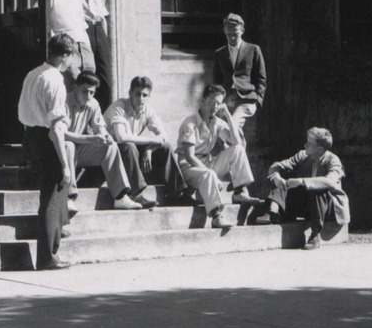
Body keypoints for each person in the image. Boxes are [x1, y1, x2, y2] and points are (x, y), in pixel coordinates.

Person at [17, 33, 76, 270]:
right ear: (64, 56)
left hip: (30, 135)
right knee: (52, 197)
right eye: (71, 57)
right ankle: (48, 256)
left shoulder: (32, 74)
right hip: (46, 138)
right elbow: (56, 129)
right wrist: (64, 163)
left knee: (52, 195)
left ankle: (58, 233)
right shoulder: (55, 81)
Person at [176, 84, 259, 229]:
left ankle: (239, 191)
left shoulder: (216, 122)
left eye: (219, 103)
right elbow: (189, 156)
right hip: (188, 168)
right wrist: (212, 173)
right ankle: (217, 216)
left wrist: (227, 114)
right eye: (211, 102)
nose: (215, 106)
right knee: (209, 174)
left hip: (207, 164)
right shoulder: (190, 123)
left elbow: (236, 142)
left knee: (238, 150)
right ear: (203, 101)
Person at [255, 127, 351, 250]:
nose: (305, 145)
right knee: (287, 183)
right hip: (309, 205)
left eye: (309, 143)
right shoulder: (303, 155)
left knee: (317, 188)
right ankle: (273, 211)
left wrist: (302, 181)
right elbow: (277, 166)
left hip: (330, 207)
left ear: (320, 149)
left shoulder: (333, 160)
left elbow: (329, 181)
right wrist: (276, 177)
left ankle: (315, 235)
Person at [105, 76, 190, 205]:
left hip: (130, 154)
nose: (141, 99)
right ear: (130, 93)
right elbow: (121, 137)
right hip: (110, 153)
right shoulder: (119, 107)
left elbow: (164, 137)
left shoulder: (148, 110)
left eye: (145, 95)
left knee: (165, 146)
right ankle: (136, 194)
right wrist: (151, 140)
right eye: (137, 94)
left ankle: (176, 193)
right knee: (129, 145)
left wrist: (150, 149)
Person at [63, 70, 142, 211]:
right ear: (75, 87)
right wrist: (90, 138)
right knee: (69, 145)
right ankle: (68, 197)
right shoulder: (64, 101)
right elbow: (61, 134)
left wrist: (106, 136)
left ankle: (120, 197)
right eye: (84, 91)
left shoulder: (93, 104)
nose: (88, 96)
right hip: (60, 150)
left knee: (110, 147)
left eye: (92, 92)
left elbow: (99, 127)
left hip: (80, 149)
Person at [212, 13, 266, 139]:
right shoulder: (219, 53)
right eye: (228, 34)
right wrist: (218, 102)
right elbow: (217, 82)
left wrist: (258, 99)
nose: (231, 37)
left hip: (247, 100)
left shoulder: (253, 49)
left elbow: (261, 78)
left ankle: (238, 156)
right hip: (227, 102)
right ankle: (239, 156)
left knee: (233, 126)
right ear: (224, 31)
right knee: (220, 132)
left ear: (242, 31)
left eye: (235, 34)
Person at [49, 0, 95, 82]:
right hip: (66, 47)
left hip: (84, 46)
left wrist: (87, 47)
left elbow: (81, 23)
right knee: (74, 83)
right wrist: (59, 45)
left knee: (89, 82)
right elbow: (46, 24)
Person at [76, 0, 112, 110]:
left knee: (106, 78)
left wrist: (106, 38)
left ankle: (101, 115)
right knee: (87, 74)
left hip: (99, 30)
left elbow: (102, 13)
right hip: (82, 29)